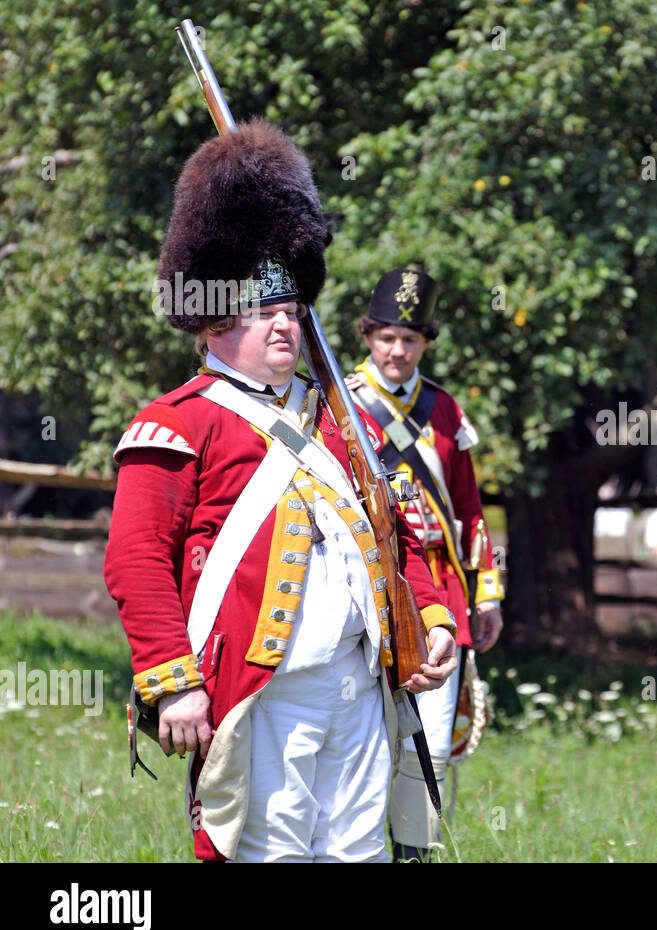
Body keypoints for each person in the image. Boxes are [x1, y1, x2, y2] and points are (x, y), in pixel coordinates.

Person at [104, 120, 457, 863]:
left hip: (359, 687)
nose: (283, 325)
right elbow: (136, 560)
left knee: (357, 853)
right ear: (210, 322)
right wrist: (173, 683)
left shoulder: (342, 420)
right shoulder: (177, 423)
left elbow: (396, 529)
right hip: (261, 691)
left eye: (291, 311)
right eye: (261, 311)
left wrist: (432, 617)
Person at [346, 267, 504, 859]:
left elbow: (471, 509)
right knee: (367, 736)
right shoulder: (342, 404)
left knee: (429, 744)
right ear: (368, 336)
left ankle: (414, 850)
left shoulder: (443, 408)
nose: (397, 349)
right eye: (386, 336)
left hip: (444, 588)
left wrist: (487, 594)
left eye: (409, 339)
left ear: (426, 344)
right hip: (373, 585)